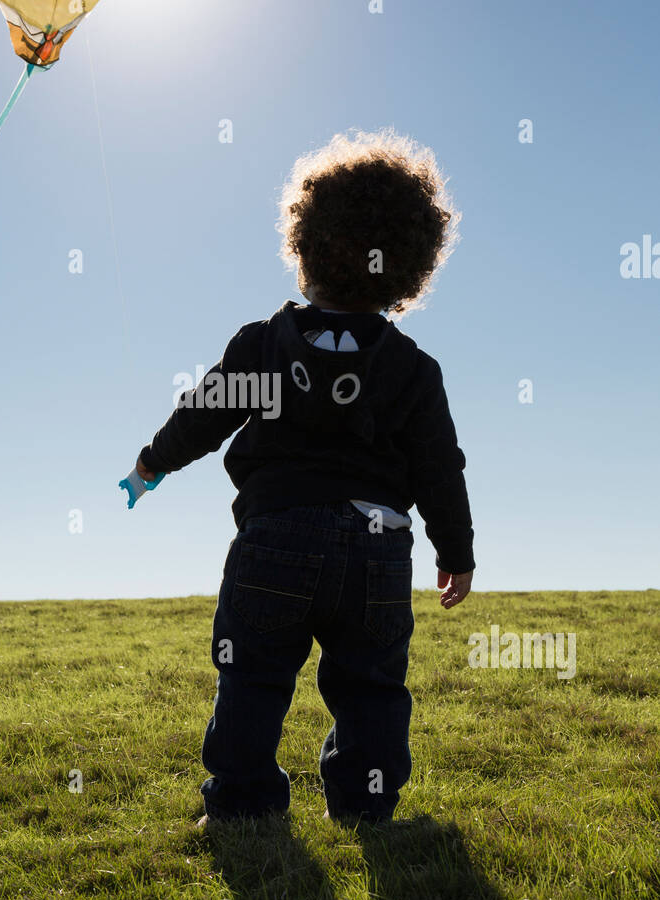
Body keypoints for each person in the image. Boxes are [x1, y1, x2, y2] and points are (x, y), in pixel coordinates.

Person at [135, 130, 475, 826]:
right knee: (372, 685)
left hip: (276, 538)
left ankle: (240, 805)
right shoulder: (414, 369)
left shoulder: (263, 342)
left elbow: (204, 415)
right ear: (410, 266)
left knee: (253, 675)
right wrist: (457, 552)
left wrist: (152, 462)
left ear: (305, 244)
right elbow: (441, 469)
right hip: (379, 547)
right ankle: (366, 806)